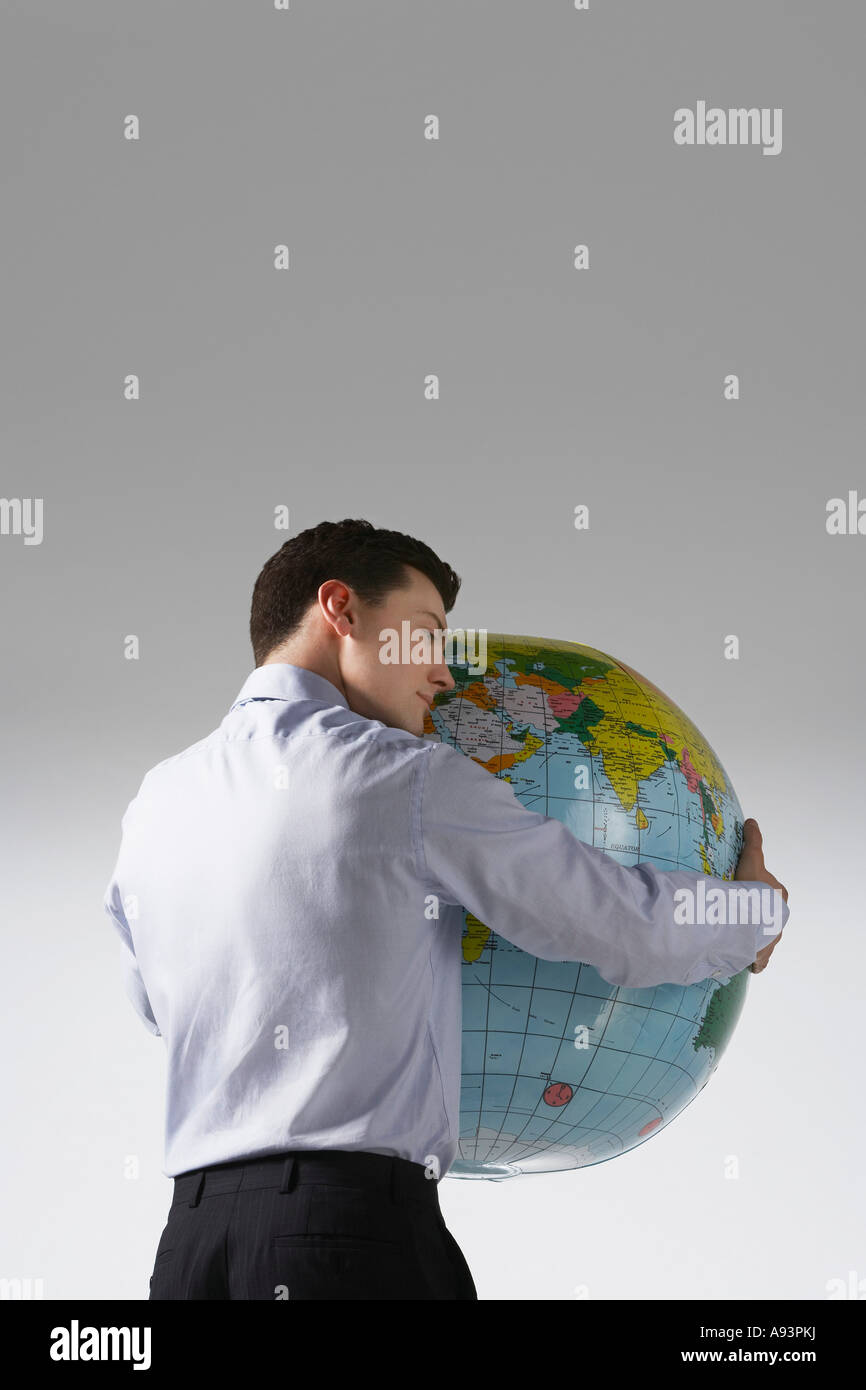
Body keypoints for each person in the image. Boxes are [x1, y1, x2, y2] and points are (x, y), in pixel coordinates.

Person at [103, 518, 789, 1301]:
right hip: (347, 1238)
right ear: (341, 609)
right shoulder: (404, 779)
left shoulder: (158, 800)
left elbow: (156, 1004)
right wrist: (754, 917)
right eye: (426, 636)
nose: (442, 674)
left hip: (190, 1252)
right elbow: (611, 920)